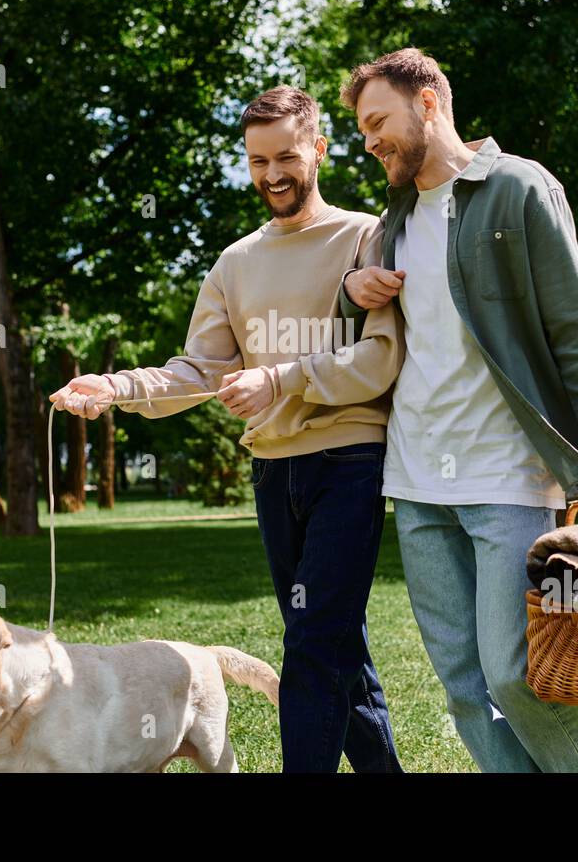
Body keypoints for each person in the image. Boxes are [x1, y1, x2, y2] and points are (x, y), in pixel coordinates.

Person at [50, 86, 406, 773]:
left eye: (286, 157)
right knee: (336, 647)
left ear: (320, 151)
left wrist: (280, 379)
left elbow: (379, 358)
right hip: (274, 475)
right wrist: (116, 388)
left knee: (310, 643)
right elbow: (197, 370)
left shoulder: (367, 236)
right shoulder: (235, 262)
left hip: (348, 464)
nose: (272, 174)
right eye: (256, 160)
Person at [338, 48, 578, 772]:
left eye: (378, 121)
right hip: (416, 484)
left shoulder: (518, 188)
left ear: (429, 103)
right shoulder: (392, 218)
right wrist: (349, 291)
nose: (369, 141)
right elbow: (362, 321)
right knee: (462, 689)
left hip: (508, 476)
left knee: (517, 676)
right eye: (361, 130)